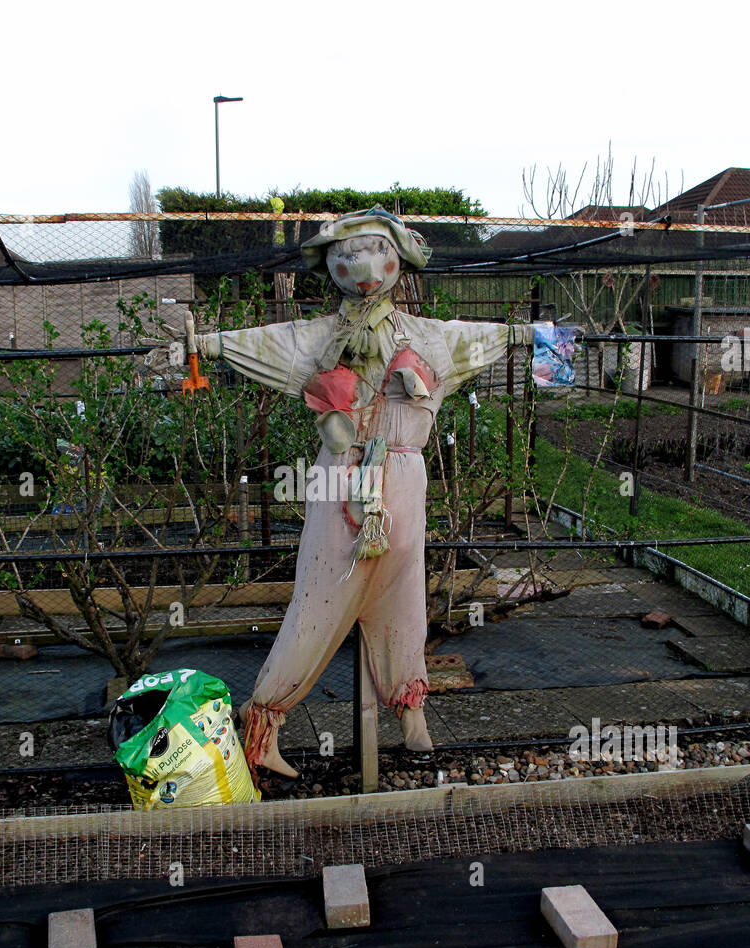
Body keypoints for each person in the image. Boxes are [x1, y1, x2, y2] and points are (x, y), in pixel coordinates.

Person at [195, 207, 532, 777]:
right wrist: (205, 345)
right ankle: (263, 722)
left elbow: (483, 339)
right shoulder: (318, 337)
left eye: (373, 250)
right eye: (344, 255)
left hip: (404, 479)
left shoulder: (427, 337)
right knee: (319, 604)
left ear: (397, 258)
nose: (359, 264)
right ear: (330, 265)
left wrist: (531, 336)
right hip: (340, 481)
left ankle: (411, 712)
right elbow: (266, 344)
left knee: (403, 600)